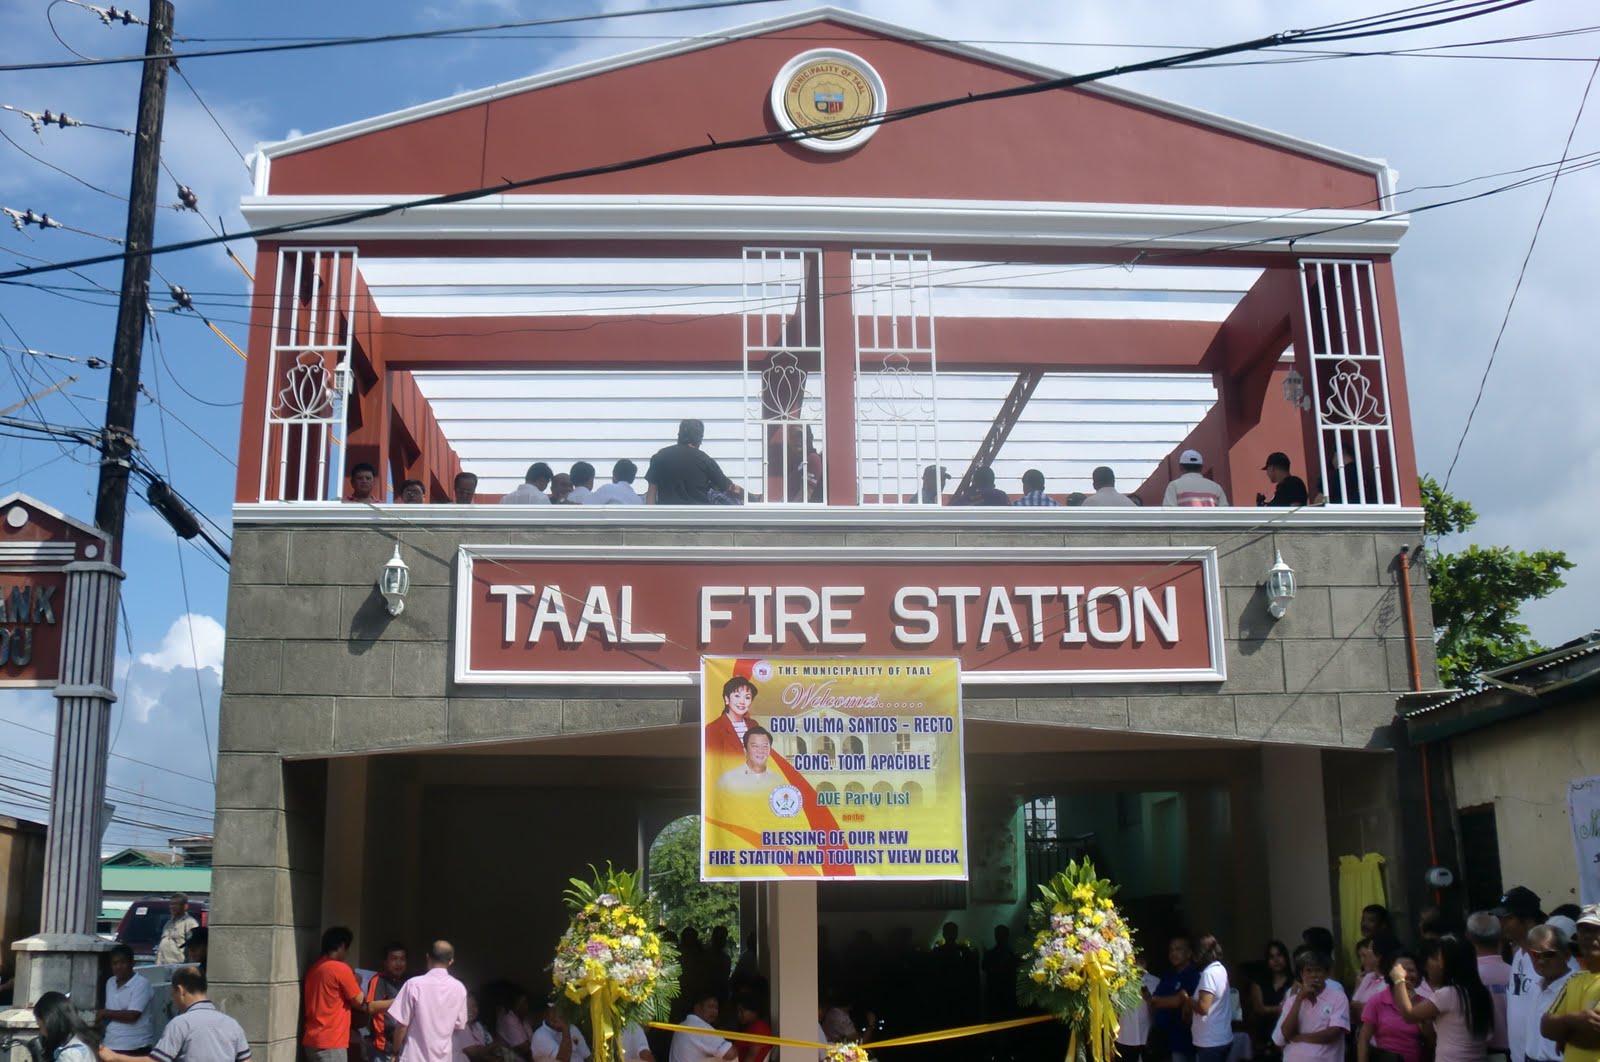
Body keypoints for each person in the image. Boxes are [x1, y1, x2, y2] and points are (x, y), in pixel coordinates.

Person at [99, 966, 250, 1062]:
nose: (173, 998)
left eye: (173, 993)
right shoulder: (232, 1024)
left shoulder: (181, 1024)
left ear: (180, 990)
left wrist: (114, 1057)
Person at [1390, 935, 1492, 1062]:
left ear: (1450, 963)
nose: (1431, 963)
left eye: (1437, 958)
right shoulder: (1480, 992)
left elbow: (1409, 1016)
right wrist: (1414, 998)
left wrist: (1399, 979)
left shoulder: (1448, 994)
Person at [1540, 906, 1600, 1062]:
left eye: (1595, 930)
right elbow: (1545, 1027)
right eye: (1583, 930)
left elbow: (1593, 1037)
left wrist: (1565, 1034)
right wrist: (1574, 1020)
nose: (1588, 936)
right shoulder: (1574, 980)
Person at [390, 941, 467, 1062]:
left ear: (428, 957)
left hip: (414, 1057)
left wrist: (395, 1051)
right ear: (451, 961)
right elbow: (459, 1024)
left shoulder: (413, 984)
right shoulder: (459, 988)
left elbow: (402, 1026)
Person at [1500, 887, 1550, 1062]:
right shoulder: (1518, 955)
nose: (1502, 924)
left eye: (1508, 918)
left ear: (1528, 919)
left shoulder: (1549, 958)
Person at [303, 927, 366, 1062]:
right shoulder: (340, 968)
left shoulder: (315, 968)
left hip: (312, 1039)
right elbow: (359, 1001)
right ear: (342, 946)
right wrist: (357, 983)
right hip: (331, 1041)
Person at [645, 420, 742, 505]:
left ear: (679, 435)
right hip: (698, 518)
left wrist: (650, 520)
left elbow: (652, 490)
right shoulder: (704, 459)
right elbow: (731, 489)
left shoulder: (660, 456)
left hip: (667, 518)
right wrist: (751, 497)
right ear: (700, 438)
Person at [1357, 949, 1429, 1062]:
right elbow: (1364, 1039)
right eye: (1400, 971)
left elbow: (1430, 1039)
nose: (1405, 975)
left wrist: (1415, 1004)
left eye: (1411, 970)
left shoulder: (1425, 1003)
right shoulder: (1377, 1001)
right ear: (1390, 973)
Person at [1281, 950, 1350, 1062]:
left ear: (1326, 974)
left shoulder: (1339, 997)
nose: (1313, 975)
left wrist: (1300, 1037)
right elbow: (1286, 1033)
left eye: (1318, 970)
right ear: (1301, 974)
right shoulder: (1292, 1000)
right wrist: (1299, 999)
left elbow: (1332, 1033)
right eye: (1308, 971)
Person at [1522, 924, 1574, 1062]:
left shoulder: (1576, 987)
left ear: (1567, 955)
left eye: (1549, 954)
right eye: (1535, 954)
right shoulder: (1535, 986)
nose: (1541, 960)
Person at [1468, 912, 1513, 1062]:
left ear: (1468, 937)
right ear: (1500, 936)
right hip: (1515, 1049)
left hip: (1477, 1051)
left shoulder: (1467, 976)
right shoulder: (1514, 973)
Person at [1152, 935, 1202, 1062]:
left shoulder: (1194, 976)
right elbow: (1153, 1000)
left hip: (1184, 1042)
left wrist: (1169, 1001)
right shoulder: (1168, 975)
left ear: (1189, 953)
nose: (1173, 953)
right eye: (1171, 950)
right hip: (1163, 1041)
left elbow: (1179, 1002)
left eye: (1178, 949)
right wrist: (1172, 1000)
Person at [99, 944, 154, 1057]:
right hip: (111, 1044)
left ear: (132, 963)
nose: (118, 967)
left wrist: (105, 1013)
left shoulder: (141, 984)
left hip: (135, 1046)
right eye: (115, 963)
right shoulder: (110, 982)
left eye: (122, 962)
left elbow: (132, 1016)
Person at [1185, 935, 1234, 1062]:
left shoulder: (1209, 974)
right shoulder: (1220, 969)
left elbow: (1203, 1008)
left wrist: (1186, 999)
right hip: (1221, 1038)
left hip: (1211, 1043)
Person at [1248, 940, 1295, 1058]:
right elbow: (1258, 1009)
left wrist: (1269, 1009)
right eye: (1272, 956)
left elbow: (1294, 1011)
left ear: (1285, 957)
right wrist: (1282, 1008)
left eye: (1279, 955)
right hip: (1262, 1039)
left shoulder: (1294, 982)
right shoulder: (1259, 981)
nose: (1276, 960)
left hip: (1286, 1039)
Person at [366, 943, 410, 1062]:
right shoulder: (379, 979)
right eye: (394, 959)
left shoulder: (410, 982)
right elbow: (371, 1007)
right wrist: (399, 1001)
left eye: (402, 959)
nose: (398, 963)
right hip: (383, 1047)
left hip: (406, 1048)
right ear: (385, 962)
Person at [1117, 948, 1160, 1062]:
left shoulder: (1155, 981)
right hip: (1125, 1035)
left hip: (1146, 1034)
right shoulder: (1120, 981)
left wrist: (1148, 996)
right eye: (1135, 962)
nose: (1138, 965)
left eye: (1142, 962)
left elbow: (1157, 1007)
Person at [668, 994, 737, 1062]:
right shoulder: (701, 1027)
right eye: (710, 1007)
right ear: (697, 1008)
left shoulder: (683, 1024)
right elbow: (730, 1054)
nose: (714, 1011)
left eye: (716, 1008)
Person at [39, 990, 98, 1062]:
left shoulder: (69, 1055)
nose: (41, 1033)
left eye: (40, 1026)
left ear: (50, 1024)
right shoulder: (83, 1042)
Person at [717, 726, 776, 793]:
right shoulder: (728, 779)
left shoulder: (777, 780)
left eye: (765, 746)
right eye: (755, 746)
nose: (761, 751)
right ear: (745, 750)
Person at [1163, 450, 1228, 508]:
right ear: (1201, 467)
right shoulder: (1216, 487)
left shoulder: (1174, 485)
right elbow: (1225, 513)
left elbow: (1169, 513)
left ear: (1181, 467)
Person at [156, 894, 199, 966]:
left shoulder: (190, 923)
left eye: (176, 904)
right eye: (171, 904)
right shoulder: (168, 923)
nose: (172, 907)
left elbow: (194, 948)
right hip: (163, 965)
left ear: (185, 906)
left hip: (179, 966)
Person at [1352, 939, 1387, 1026]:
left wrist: (1361, 1006)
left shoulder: (1388, 980)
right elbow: (1353, 1010)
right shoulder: (1367, 977)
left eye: (1365, 955)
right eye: (1360, 957)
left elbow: (1375, 1013)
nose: (1362, 961)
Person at [452, 994, 494, 1062]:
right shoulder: (460, 1027)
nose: (470, 1009)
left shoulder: (477, 1026)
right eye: (466, 1006)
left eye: (474, 1005)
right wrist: (495, 1045)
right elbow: (474, 1054)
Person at [495, 990, 536, 1060]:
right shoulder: (509, 1019)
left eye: (526, 1003)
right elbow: (524, 1049)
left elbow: (533, 1041)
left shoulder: (524, 1019)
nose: (525, 1006)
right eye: (521, 1003)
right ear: (514, 1004)